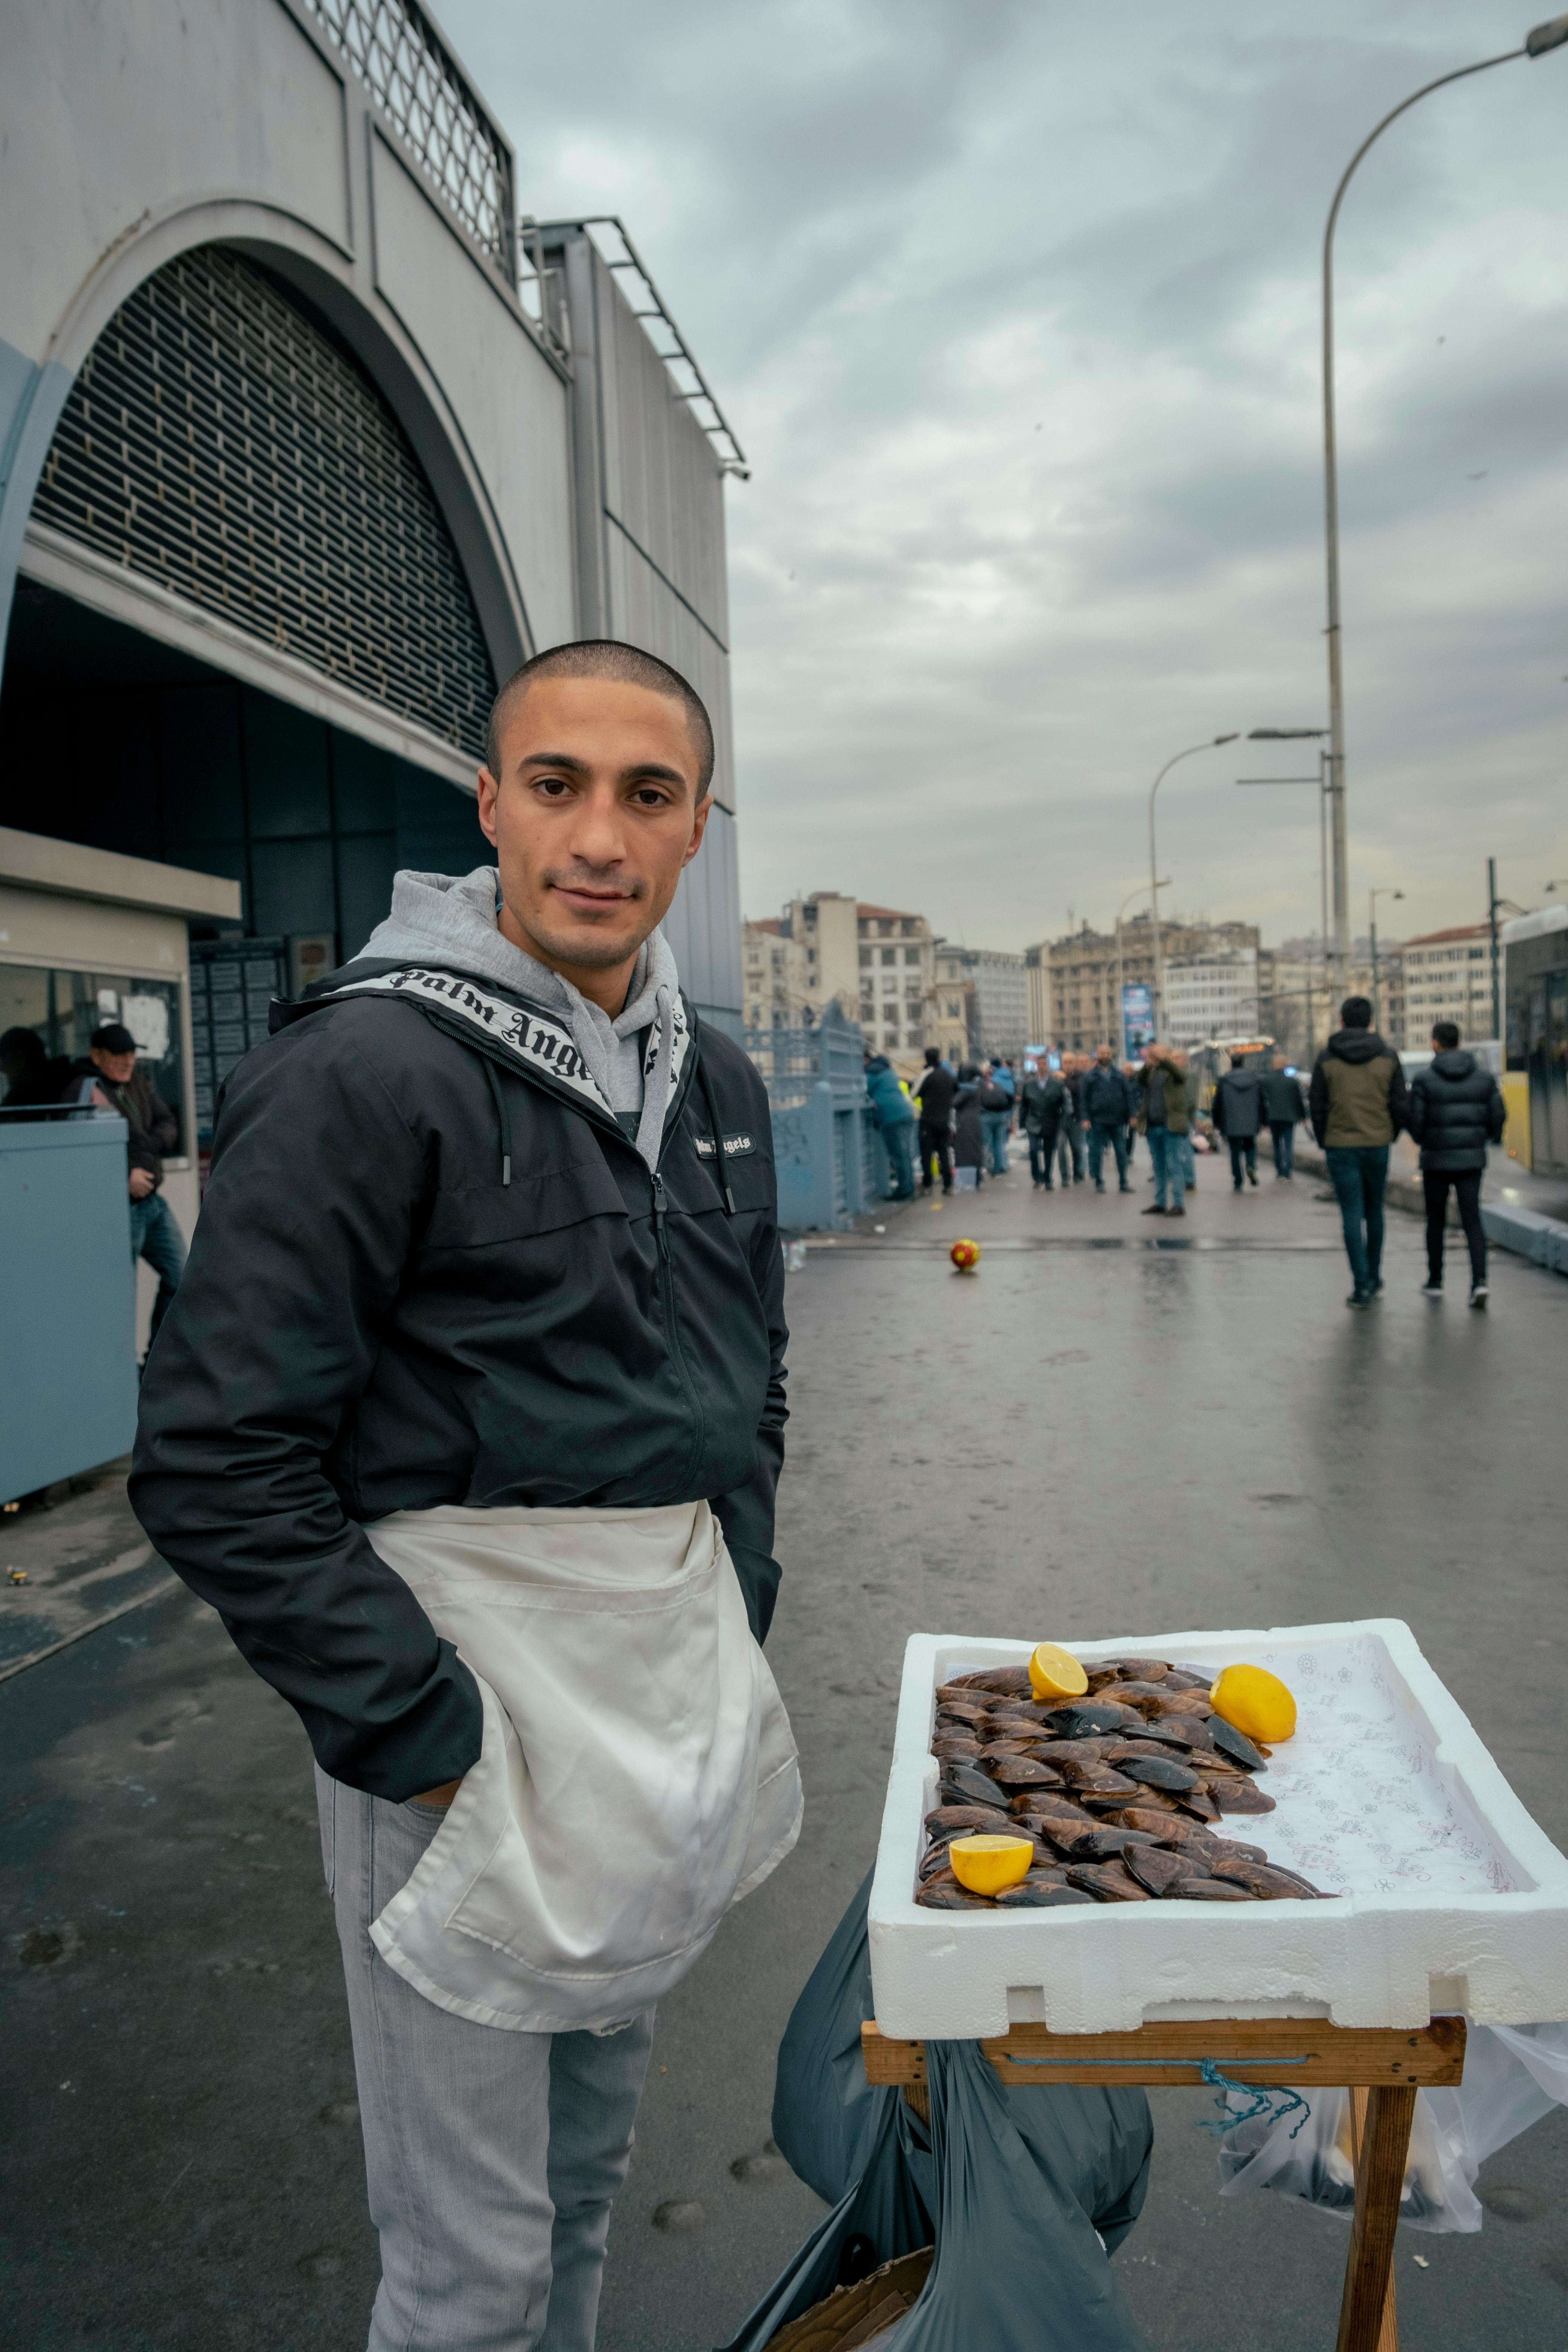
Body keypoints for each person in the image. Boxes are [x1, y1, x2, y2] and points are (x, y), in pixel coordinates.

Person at [130, 640, 802, 2352]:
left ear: (697, 825)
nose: (598, 833)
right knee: (469, 2264)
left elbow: (750, 1374)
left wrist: (742, 1601)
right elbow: (219, 1447)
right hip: (456, 1716)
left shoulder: (712, 1078)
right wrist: (419, 1724)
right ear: (489, 803)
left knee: (586, 2182)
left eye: (646, 793)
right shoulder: (366, 1068)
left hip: (660, 1699)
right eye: (557, 784)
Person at [72, 1020, 186, 1347]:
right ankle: (119, 1376)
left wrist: (148, 1145)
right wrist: (122, 1179)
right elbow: (80, 1155)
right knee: (119, 1297)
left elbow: (168, 1122)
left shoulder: (137, 1083)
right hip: (116, 1212)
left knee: (182, 1278)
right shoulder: (84, 1090)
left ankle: (156, 1362)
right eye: (119, 1054)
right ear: (96, 1055)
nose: (128, 1061)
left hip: (152, 1203)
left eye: (132, 1055)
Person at [1309, 995, 1410, 1309]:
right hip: (1377, 1143)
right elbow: (1399, 1103)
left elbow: (1317, 1105)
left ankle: (1361, 1283)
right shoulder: (1389, 1057)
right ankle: (1375, 1275)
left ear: (1342, 1021)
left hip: (1341, 1145)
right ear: (1370, 1022)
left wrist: (1326, 1138)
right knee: (1375, 1210)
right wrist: (1390, 1134)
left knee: (1351, 1214)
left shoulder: (1327, 1058)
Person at [1407, 1022, 1505, 1308]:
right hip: (1471, 1161)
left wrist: (1425, 1140)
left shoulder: (1425, 1080)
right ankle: (1479, 1282)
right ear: (1460, 1042)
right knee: (1472, 1219)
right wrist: (1480, 1139)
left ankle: (1436, 1280)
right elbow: (1498, 1118)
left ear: (1436, 1043)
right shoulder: (1484, 1079)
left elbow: (1415, 1123)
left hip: (1436, 1160)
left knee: (1435, 1220)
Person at [1136, 1043, 1192, 1217]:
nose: (1157, 1056)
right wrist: (1148, 1064)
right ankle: (1160, 1203)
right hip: (1153, 1126)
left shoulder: (1175, 1072)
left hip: (1171, 1127)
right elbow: (1140, 1081)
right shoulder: (1152, 1072)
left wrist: (1165, 1059)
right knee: (1158, 1167)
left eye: (1160, 1053)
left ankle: (1179, 1204)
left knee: (1174, 1165)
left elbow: (1181, 1075)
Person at [1080, 1043, 1134, 1194]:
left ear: (1111, 1056)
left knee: (1121, 1153)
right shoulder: (1089, 1077)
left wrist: (1132, 1115)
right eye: (1102, 1054)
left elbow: (1128, 1095)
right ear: (1097, 1055)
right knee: (1096, 1153)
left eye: (1108, 1054)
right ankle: (1099, 1181)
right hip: (1098, 1120)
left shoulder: (1119, 1075)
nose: (1105, 1056)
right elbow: (1084, 1099)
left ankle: (1124, 1181)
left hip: (1118, 1120)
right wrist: (1085, 1118)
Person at [863, 1049, 916, 1200]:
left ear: (866, 1060)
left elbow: (863, 1090)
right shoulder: (889, 1072)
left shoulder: (872, 1073)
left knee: (898, 1155)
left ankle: (904, 1190)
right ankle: (908, 1188)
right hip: (906, 1114)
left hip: (891, 1117)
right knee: (905, 1155)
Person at [1210, 1054, 1263, 1191]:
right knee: (1251, 1146)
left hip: (1231, 1122)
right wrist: (1263, 1120)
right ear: (1243, 1063)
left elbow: (1218, 1104)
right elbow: (1262, 1102)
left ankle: (1238, 1181)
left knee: (1235, 1152)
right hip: (1251, 1122)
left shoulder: (1224, 1081)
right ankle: (1251, 1166)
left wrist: (1216, 1121)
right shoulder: (1255, 1080)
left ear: (1231, 1064)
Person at [912, 1044, 956, 1194]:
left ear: (926, 1059)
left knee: (927, 1154)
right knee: (944, 1152)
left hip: (928, 1121)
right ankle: (948, 1185)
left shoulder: (926, 1074)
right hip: (945, 1120)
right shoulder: (948, 1075)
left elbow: (913, 1093)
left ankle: (928, 1185)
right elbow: (956, 1091)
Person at [0, 1024, 73, 1113]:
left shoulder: (26, 1095)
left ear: (20, 1059)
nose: (3, 1068)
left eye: (4, 1060)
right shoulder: (61, 1082)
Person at [1020, 1061, 1070, 1188]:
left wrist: (1062, 1121)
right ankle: (1037, 1177)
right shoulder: (1029, 1084)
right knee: (1033, 1150)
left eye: (1044, 1064)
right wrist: (1022, 1124)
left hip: (1051, 1122)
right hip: (1033, 1122)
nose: (1042, 1067)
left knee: (1049, 1152)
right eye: (1040, 1064)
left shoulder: (1057, 1084)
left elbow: (1065, 1105)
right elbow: (1024, 1105)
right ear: (1037, 1066)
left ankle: (1048, 1178)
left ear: (1048, 1066)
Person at [1259, 1054, 1307, 1178]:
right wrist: (1303, 1116)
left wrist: (1263, 1121)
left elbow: (1262, 1102)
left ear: (1273, 1065)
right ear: (1286, 1065)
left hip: (1273, 1118)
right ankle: (1288, 1172)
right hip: (1289, 1118)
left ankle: (1279, 1171)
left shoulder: (1266, 1082)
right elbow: (1298, 1100)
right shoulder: (1292, 1082)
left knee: (1276, 1145)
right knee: (1288, 1145)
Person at [977, 1058, 1011, 1175]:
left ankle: (988, 1166)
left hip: (986, 1116)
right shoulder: (1004, 1079)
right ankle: (1001, 1166)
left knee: (986, 1143)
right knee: (1000, 1142)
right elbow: (1009, 1097)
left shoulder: (981, 1084)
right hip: (1002, 1115)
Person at [953, 1061, 985, 1185]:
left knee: (966, 1151)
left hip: (966, 1122)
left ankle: (969, 1180)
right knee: (975, 1150)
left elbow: (955, 1103)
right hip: (976, 1120)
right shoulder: (978, 1085)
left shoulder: (967, 1089)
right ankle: (977, 1176)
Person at [1058, 1053, 1086, 1185]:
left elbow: (1077, 1089)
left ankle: (1077, 1173)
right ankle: (1065, 1176)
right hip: (1060, 1120)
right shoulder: (1056, 1078)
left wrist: (1064, 1079)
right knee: (1060, 1148)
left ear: (1075, 1064)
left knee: (1077, 1148)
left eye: (1070, 1062)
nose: (1068, 1065)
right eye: (1065, 1062)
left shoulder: (1081, 1077)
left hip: (1076, 1119)